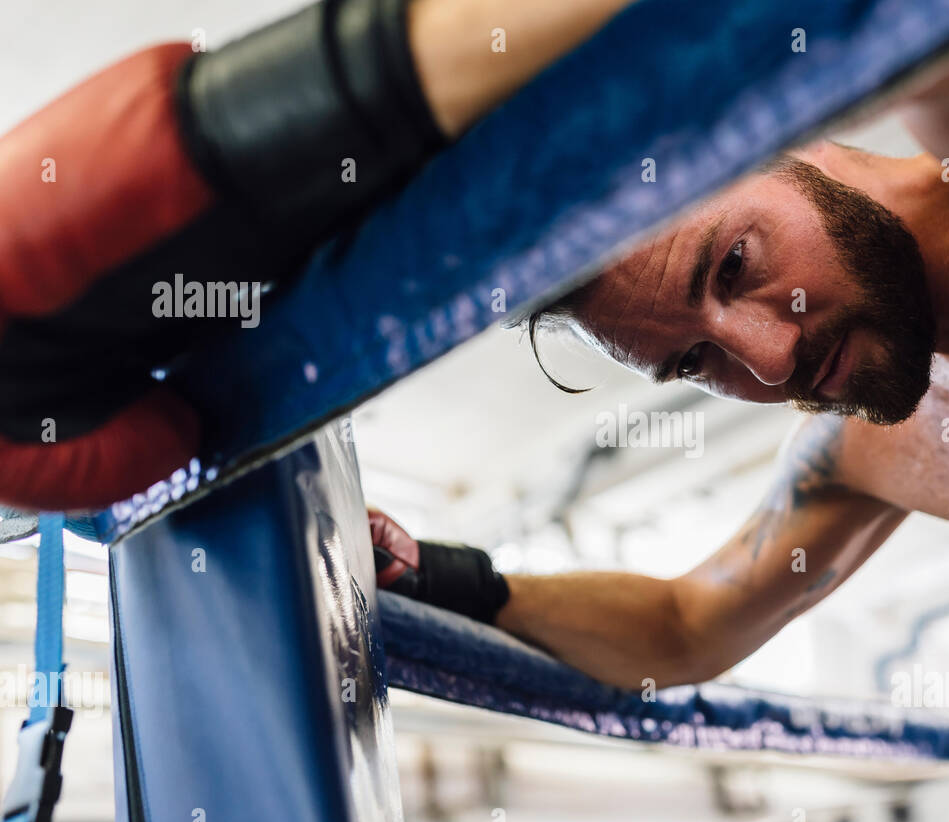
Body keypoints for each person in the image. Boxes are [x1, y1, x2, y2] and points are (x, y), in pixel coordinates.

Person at [374, 0, 949, 686]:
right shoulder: (869, 448)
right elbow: (684, 624)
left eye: (734, 265)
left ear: (793, 124)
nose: (767, 362)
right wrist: (445, 581)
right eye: (696, 363)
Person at [0, 0, 630, 510]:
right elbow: (175, 434)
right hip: (189, 144)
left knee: (409, 81)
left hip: (198, 163)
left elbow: (176, 434)